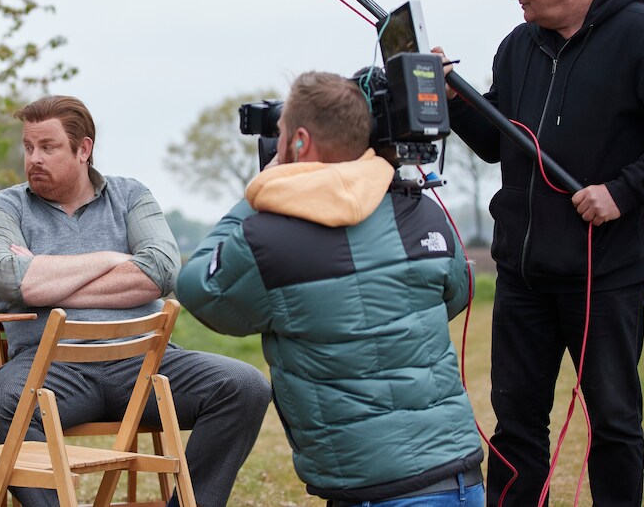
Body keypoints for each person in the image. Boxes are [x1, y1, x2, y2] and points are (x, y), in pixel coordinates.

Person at [438, 0, 644, 505]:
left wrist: (622, 191)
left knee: (614, 422)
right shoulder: (517, 45)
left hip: (607, 274)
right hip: (523, 276)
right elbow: (500, 139)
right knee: (516, 425)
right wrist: (456, 98)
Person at [175, 72, 485, 506]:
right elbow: (457, 290)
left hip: (372, 491)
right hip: (460, 479)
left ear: (300, 142)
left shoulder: (267, 238)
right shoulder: (421, 213)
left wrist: (260, 190)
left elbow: (198, 288)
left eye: (281, 134)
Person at [0, 94, 272, 506]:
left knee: (246, 386)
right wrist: (113, 259)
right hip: (51, 368)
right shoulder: (5, 207)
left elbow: (163, 271)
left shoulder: (130, 196)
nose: (33, 158)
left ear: (83, 149)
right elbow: (10, 280)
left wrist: (44, 277)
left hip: (144, 364)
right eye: (28, 147)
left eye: (48, 147)